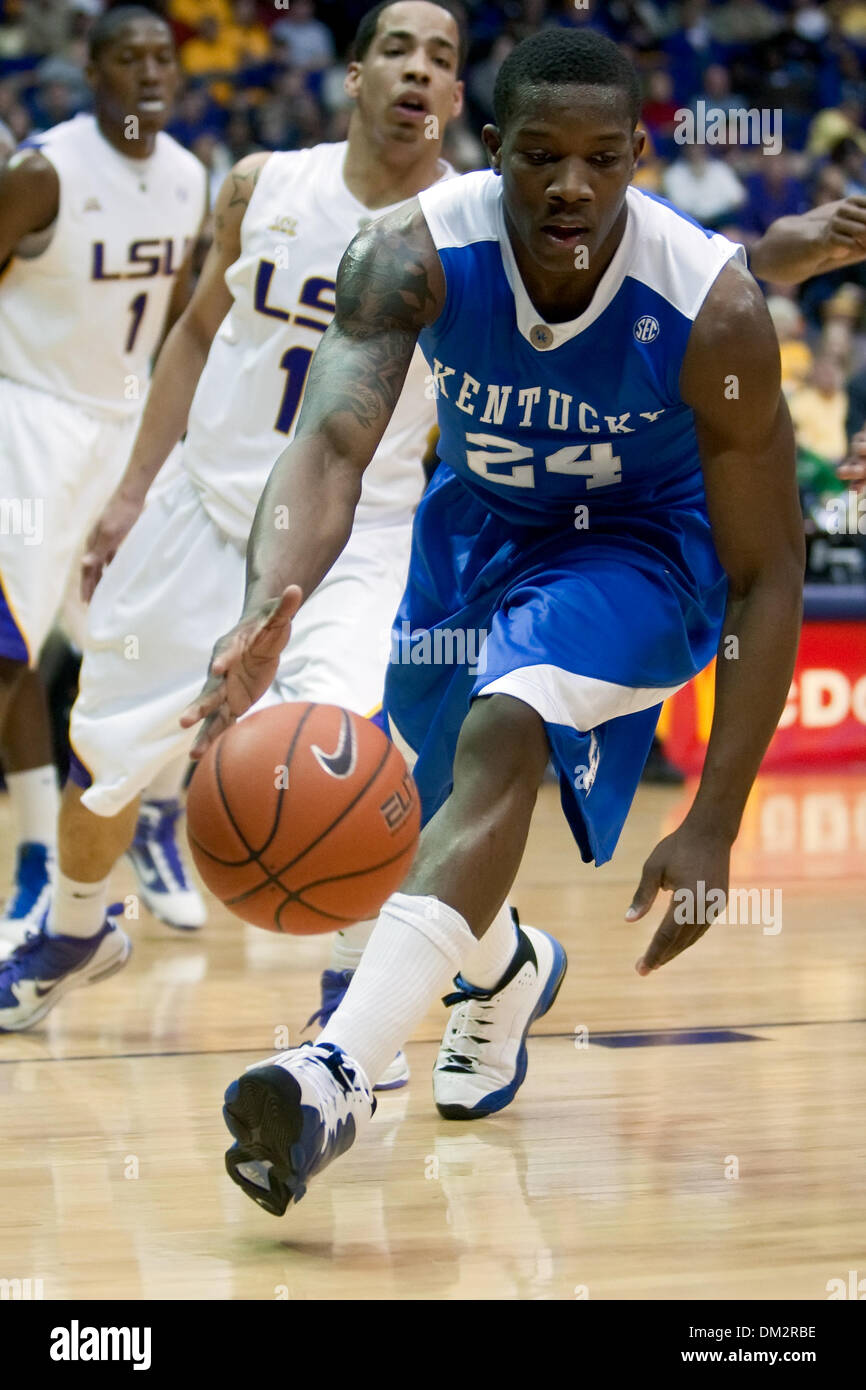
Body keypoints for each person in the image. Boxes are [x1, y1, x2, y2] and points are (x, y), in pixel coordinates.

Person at [184, 27, 804, 1218]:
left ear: (637, 155)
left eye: (598, 159)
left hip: (640, 549)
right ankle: (509, 971)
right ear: (490, 149)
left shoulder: (711, 309)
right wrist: (274, 600)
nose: (568, 187)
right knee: (407, 812)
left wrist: (717, 821)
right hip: (474, 532)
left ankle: (334, 1074)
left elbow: (767, 572)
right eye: (537, 158)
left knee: (504, 727)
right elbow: (329, 442)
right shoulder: (409, 255)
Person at [0, 1, 466, 1092]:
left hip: (355, 538)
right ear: (353, 76)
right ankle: (75, 927)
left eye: (440, 59)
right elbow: (201, 329)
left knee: (353, 757)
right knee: (107, 759)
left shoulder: (471, 229)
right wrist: (128, 491)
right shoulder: (261, 185)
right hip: (200, 512)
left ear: (453, 100)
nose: (416, 70)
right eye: (395, 48)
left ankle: (347, 1002)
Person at [0, 6, 208, 953]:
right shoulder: (42, 172)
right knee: (13, 653)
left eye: (163, 57)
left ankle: (155, 814)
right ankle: (39, 858)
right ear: (93, 72)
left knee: (151, 646)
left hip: (128, 429)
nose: (150, 73)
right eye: (129, 58)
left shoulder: (190, 178)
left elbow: (172, 325)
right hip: (33, 417)